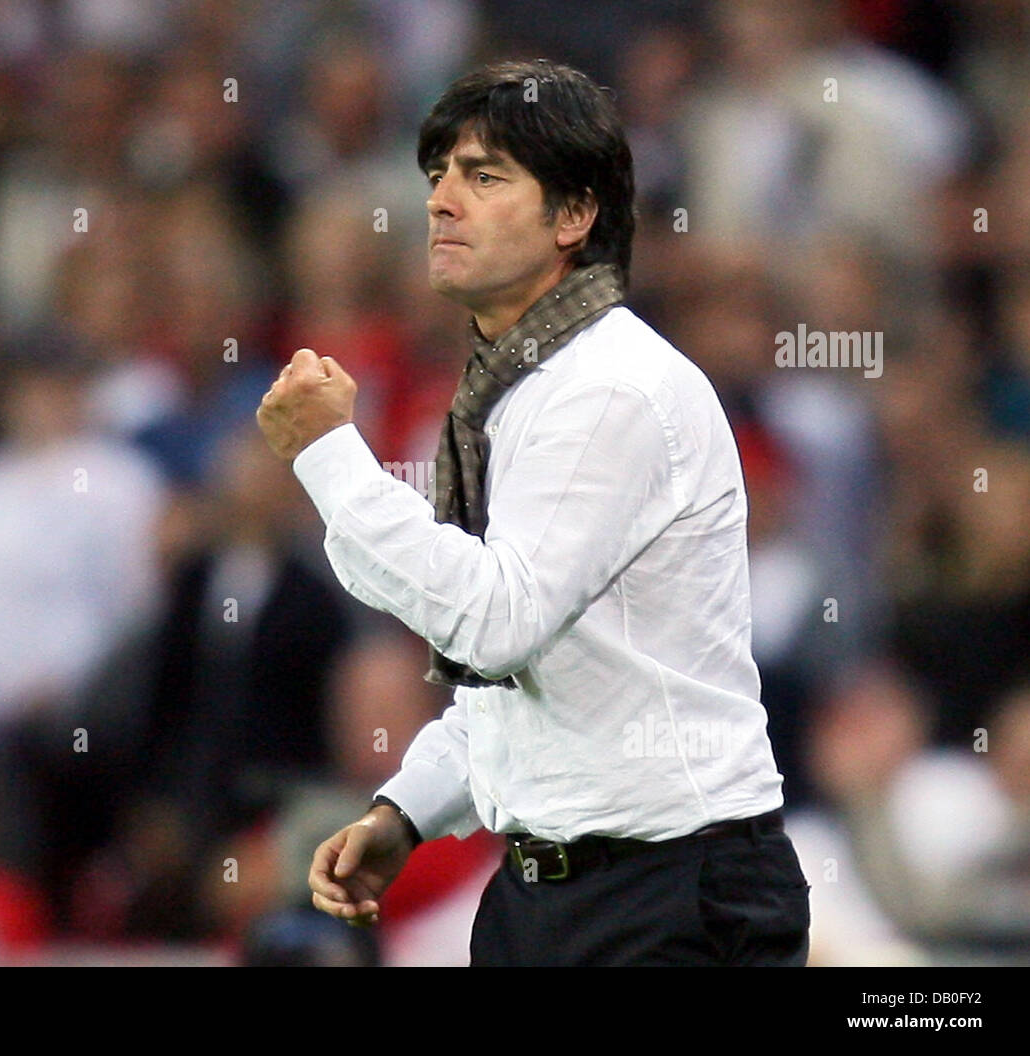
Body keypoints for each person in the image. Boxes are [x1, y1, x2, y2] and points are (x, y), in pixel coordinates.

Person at [256, 59, 810, 966]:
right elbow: (522, 681)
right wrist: (409, 810)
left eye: (483, 176)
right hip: (547, 895)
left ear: (574, 214)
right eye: (437, 175)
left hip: (668, 897)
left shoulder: (611, 389)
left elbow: (497, 623)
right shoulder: (514, 392)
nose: (440, 200)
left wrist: (327, 453)